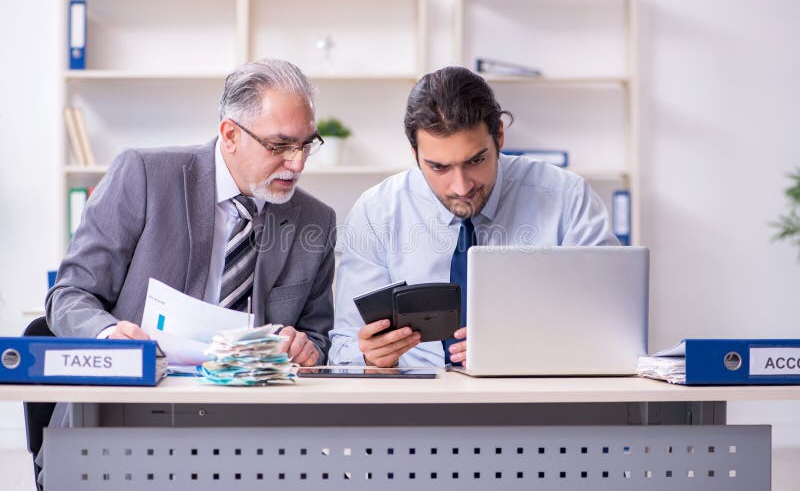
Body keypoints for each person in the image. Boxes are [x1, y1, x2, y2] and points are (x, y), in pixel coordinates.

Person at [46, 58, 336, 365]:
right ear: (230, 135)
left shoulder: (315, 220)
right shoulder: (144, 177)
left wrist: (307, 349)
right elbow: (68, 295)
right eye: (280, 145)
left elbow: (318, 337)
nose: (298, 163)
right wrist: (107, 336)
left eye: (307, 144)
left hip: (253, 406)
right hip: (136, 398)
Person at [329, 66, 619, 368]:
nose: (461, 186)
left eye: (476, 160)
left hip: (532, 396)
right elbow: (344, 349)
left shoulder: (566, 199)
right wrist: (368, 355)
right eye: (439, 167)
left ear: (500, 137)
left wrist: (532, 349)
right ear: (414, 154)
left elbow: (611, 330)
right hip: (415, 401)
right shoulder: (377, 212)